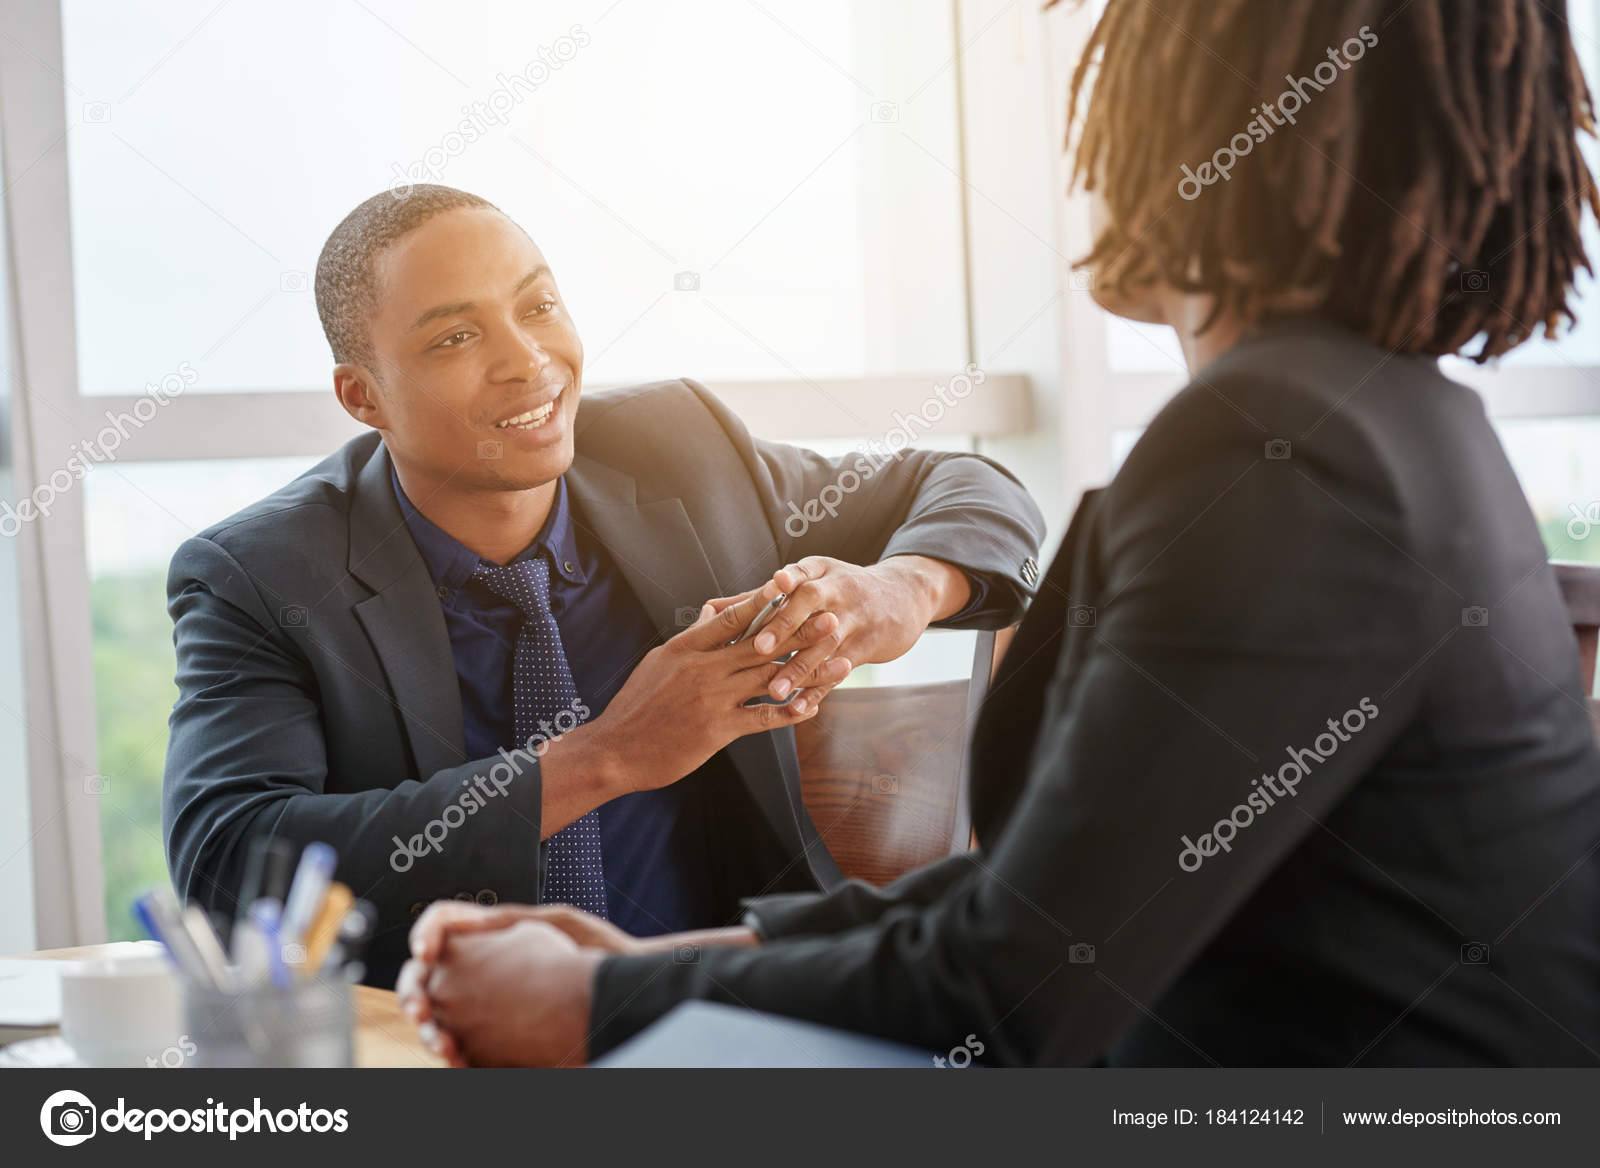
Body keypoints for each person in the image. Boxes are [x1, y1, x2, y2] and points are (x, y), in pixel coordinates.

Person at [396, 0, 1600, 1067]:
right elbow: (1057, 895)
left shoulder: (1278, 449)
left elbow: (1023, 978)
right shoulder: (1394, 416)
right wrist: (649, 963)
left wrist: (606, 1001)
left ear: (1201, 121)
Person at [161, 185, 1045, 987]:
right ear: (365, 397)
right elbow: (230, 857)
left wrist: (906, 588)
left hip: (725, 1013)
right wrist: (604, 757)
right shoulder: (265, 576)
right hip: (447, 1050)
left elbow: (971, 486)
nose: (528, 361)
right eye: (456, 337)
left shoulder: (681, 453)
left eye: (538, 306)